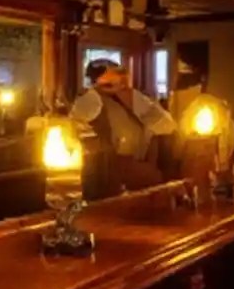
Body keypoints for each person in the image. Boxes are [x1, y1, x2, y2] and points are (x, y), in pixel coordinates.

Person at [71, 59, 176, 191]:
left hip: (138, 170)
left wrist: (129, 97)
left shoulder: (133, 97)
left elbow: (168, 124)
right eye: (115, 75)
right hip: (109, 171)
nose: (123, 79)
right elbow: (76, 126)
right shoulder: (91, 99)